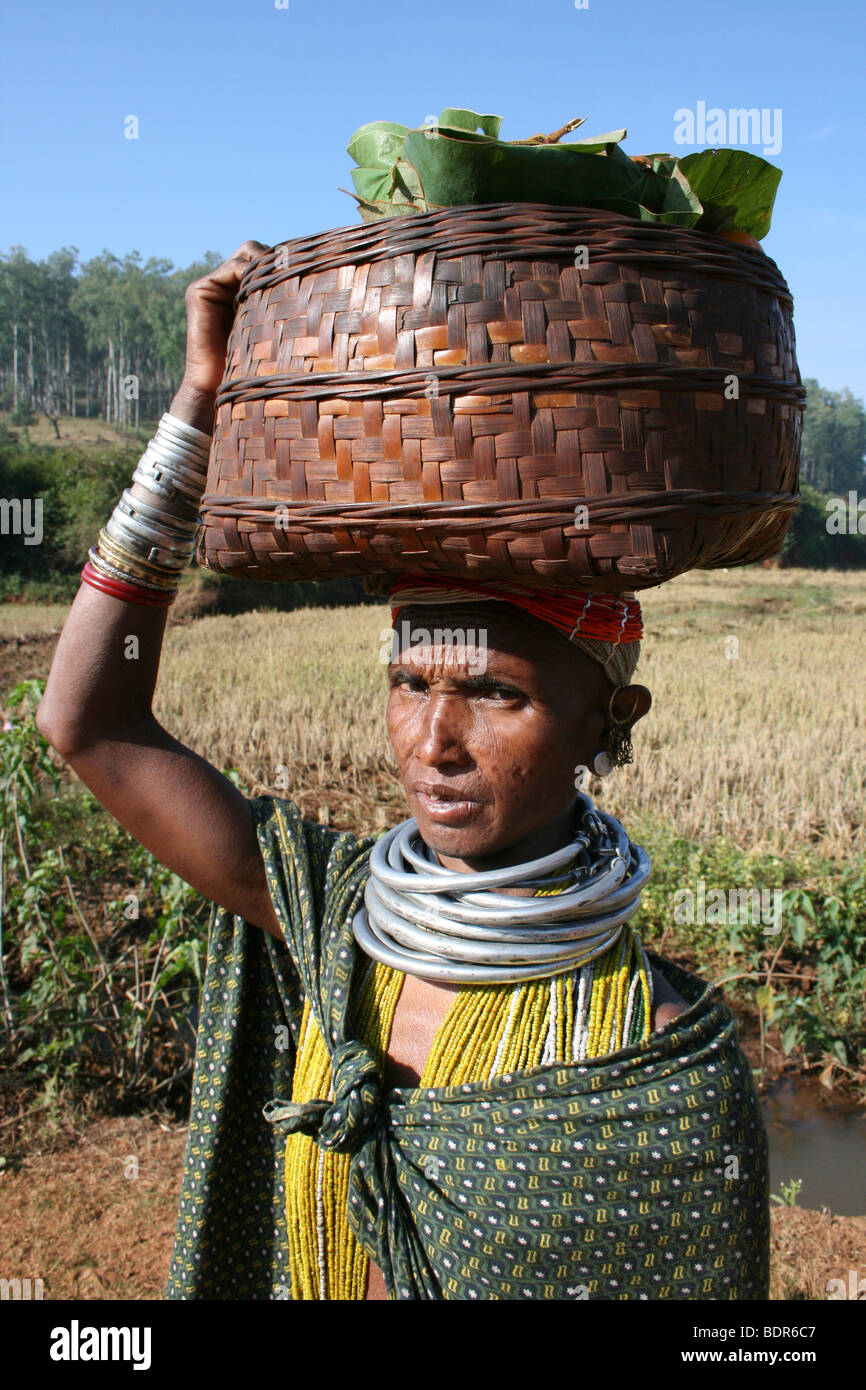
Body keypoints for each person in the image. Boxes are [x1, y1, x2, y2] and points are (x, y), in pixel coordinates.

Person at [36, 244, 770, 1302]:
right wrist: (200, 403)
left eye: (497, 695)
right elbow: (87, 720)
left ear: (609, 719)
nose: (433, 741)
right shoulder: (330, 917)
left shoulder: (649, 1064)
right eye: (409, 680)